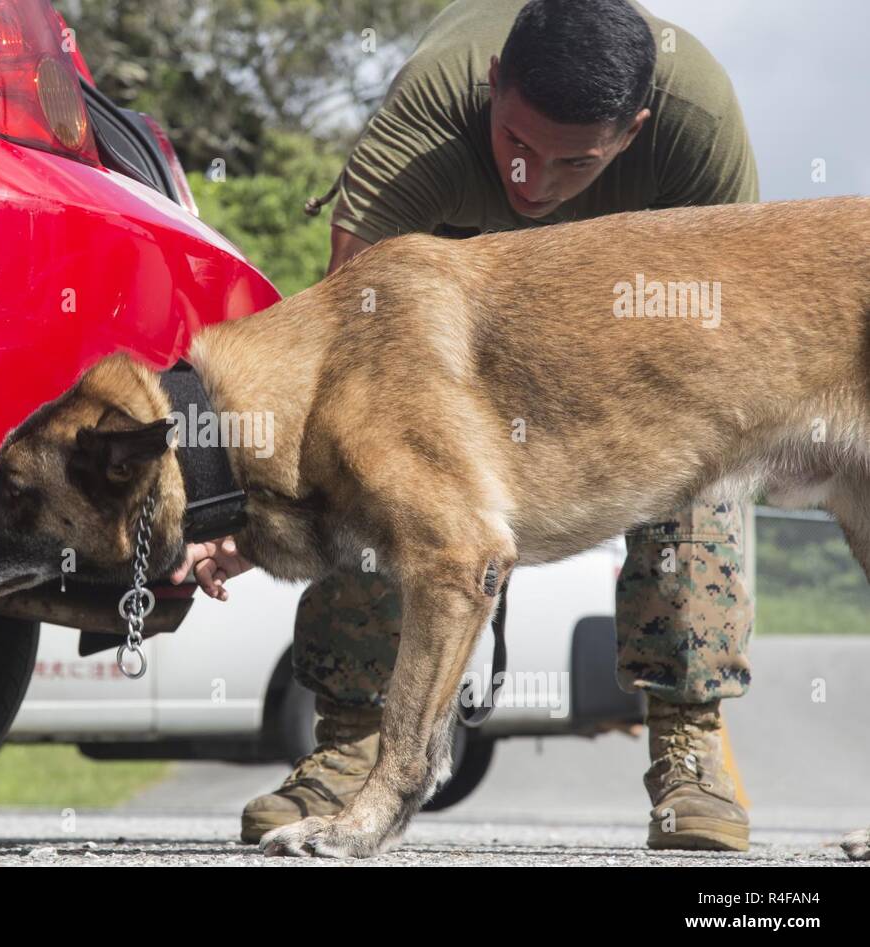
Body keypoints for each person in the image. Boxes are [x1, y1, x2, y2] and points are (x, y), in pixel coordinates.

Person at [174, 0, 756, 852]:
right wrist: (240, 524)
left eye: (572, 162)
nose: (532, 182)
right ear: (492, 88)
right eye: (516, 143)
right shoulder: (428, 120)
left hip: (637, 315)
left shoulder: (697, 124)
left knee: (702, 448)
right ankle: (350, 741)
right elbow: (345, 373)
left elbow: (731, 336)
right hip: (444, 314)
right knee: (372, 459)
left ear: (633, 131)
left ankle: (690, 750)